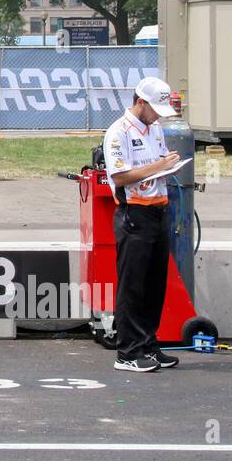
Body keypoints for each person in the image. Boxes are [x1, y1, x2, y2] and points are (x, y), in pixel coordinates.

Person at [102, 76, 182, 372]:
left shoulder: (156, 128)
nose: (159, 116)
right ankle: (127, 352)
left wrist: (168, 166)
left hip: (158, 209)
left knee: (154, 284)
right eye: (155, 109)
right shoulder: (118, 132)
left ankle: (148, 344)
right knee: (132, 285)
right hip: (134, 213)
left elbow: (157, 164)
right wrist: (159, 166)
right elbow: (120, 176)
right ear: (140, 102)